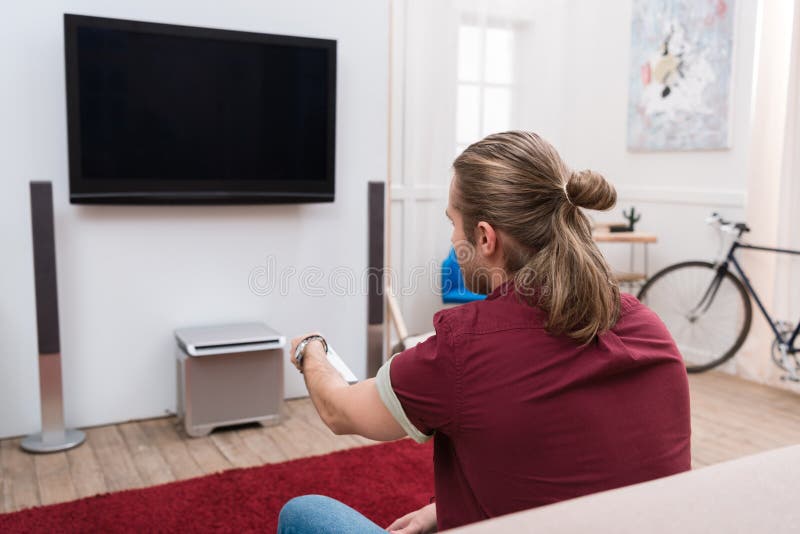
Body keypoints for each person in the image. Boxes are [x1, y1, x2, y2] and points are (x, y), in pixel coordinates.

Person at [278, 131, 691, 533]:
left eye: (453, 223)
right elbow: (579, 462)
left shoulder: (463, 348)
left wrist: (310, 351)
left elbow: (340, 410)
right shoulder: (648, 329)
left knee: (305, 513)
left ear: (485, 237)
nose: (453, 237)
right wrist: (444, 510)